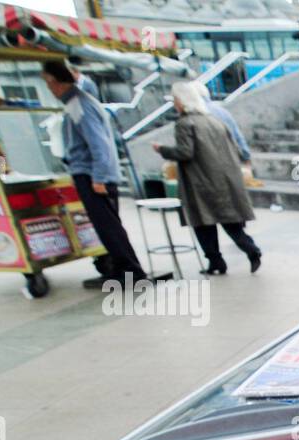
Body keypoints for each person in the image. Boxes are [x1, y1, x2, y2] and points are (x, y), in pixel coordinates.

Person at [40, 59, 148, 289]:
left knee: (108, 227)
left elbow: (99, 145)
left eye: (48, 83)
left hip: (92, 175)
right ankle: (120, 268)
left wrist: (98, 177)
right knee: (107, 226)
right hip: (93, 173)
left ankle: (131, 271)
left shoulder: (80, 105)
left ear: (56, 82)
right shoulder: (78, 102)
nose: (48, 89)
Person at [153, 80, 261, 275]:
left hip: (201, 182)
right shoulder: (214, 120)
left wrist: (163, 150)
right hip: (225, 178)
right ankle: (250, 248)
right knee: (231, 221)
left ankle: (216, 261)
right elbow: (236, 146)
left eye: (175, 100)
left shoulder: (185, 123)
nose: (174, 104)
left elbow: (185, 152)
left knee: (203, 222)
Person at [197, 82, 252, 164]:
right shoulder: (222, 111)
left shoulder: (196, 114)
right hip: (231, 157)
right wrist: (246, 155)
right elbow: (237, 136)